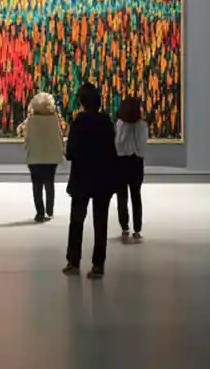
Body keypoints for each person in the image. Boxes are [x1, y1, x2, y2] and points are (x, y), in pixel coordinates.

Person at [63, 82, 118, 280]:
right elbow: (113, 153)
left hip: (81, 180)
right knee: (100, 224)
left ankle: (73, 261)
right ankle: (98, 265)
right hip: (103, 180)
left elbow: (69, 154)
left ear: (82, 101)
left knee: (76, 221)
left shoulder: (79, 122)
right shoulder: (106, 122)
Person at [19, 92, 64, 222]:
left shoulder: (31, 121)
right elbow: (58, 137)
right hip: (51, 158)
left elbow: (27, 138)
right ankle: (49, 211)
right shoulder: (54, 119)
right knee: (49, 183)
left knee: (37, 186)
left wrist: (27, 150)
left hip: (35, 158)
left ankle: (40, 212)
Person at [115, 96, 148, 243]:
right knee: (136, 196)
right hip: (136, 162)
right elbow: (143, 145)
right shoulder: (142, 125)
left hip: (121, 163)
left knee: (122, 197)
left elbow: (117, 144)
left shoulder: (120, 124)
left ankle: (124, 226)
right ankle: (137, 228)